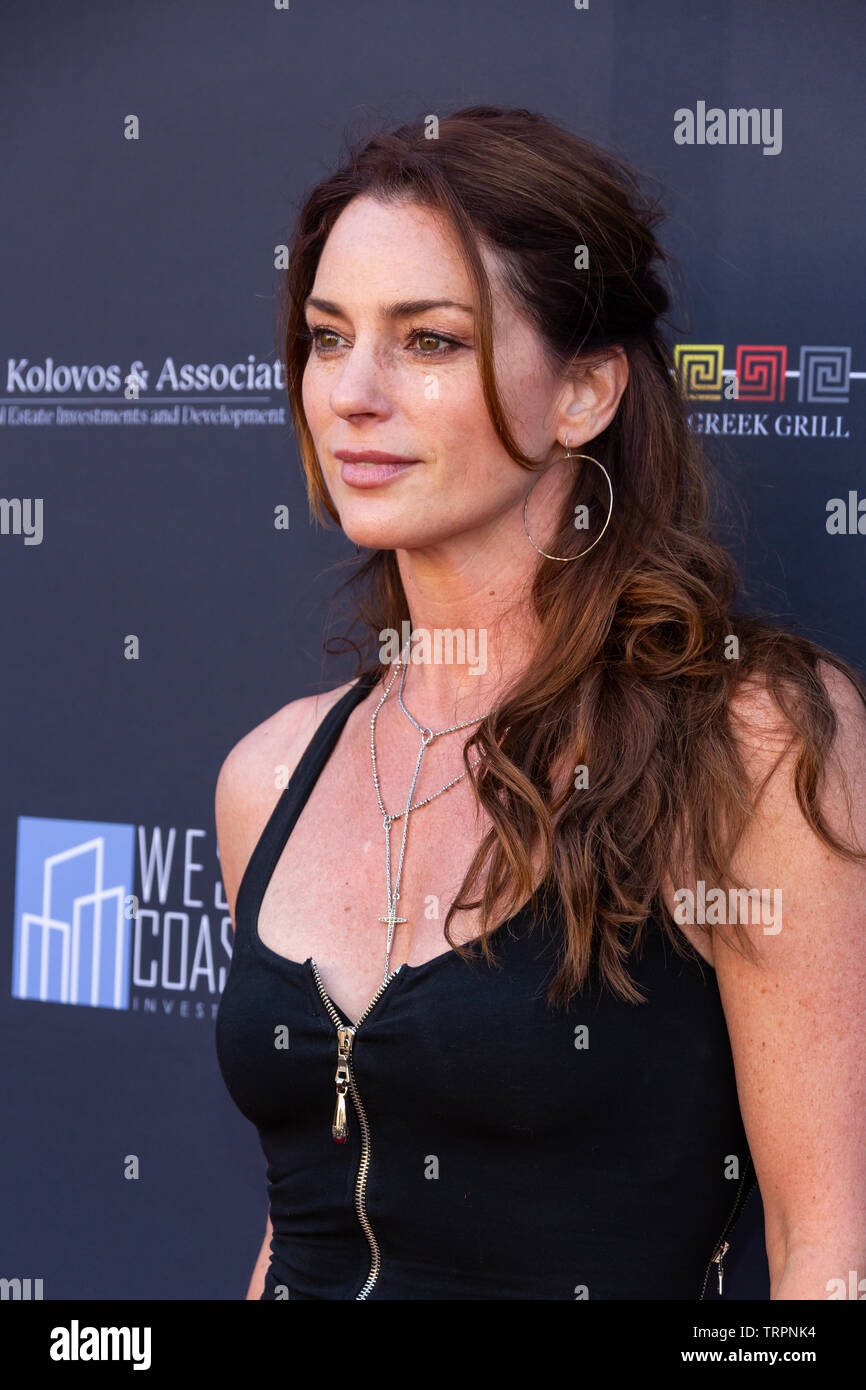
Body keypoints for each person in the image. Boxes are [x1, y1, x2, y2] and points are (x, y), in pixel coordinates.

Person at [214, 105, 866, 1300]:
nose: (350, 392)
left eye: (429, 342)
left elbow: (830, 1253)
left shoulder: (745, 739)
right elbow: (295, 1218)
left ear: (584, 392)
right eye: (324, 336)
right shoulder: (269, 774)